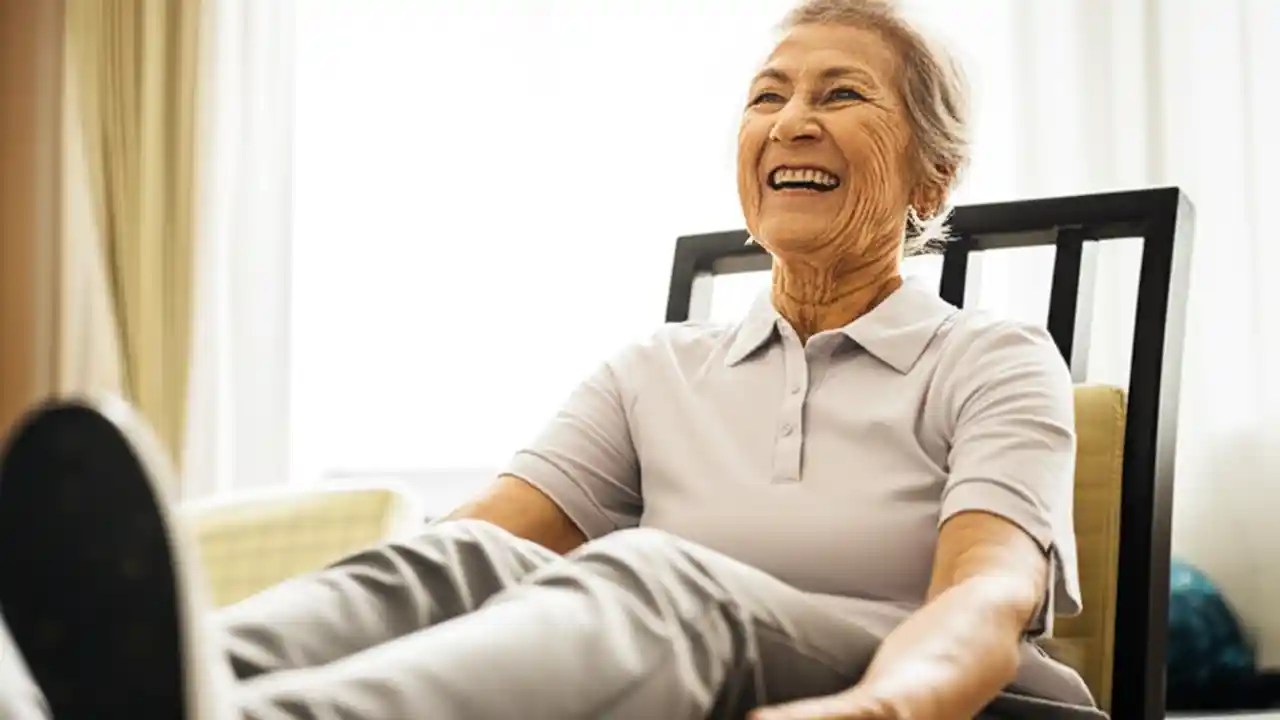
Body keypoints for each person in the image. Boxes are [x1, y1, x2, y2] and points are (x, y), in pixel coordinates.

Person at [0, 0, 1107, 718]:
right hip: (693, 662)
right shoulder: (654, 369)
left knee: (647, 572)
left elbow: (984, 601)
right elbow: (474, 550)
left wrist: (878, 710)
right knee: (458, 563)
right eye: (765, 96)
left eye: (841, 95)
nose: (790, 122)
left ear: (931, 180)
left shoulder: (995, 357)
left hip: (950, 696)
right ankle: (130, 694)